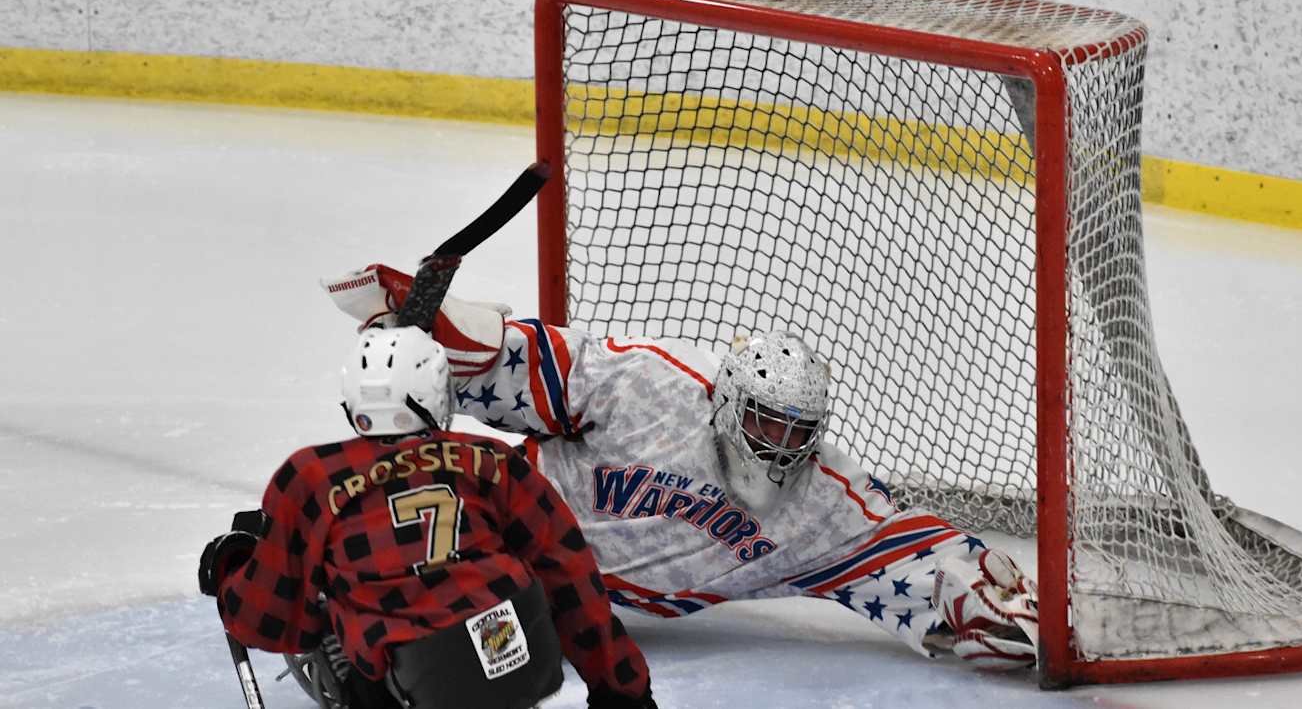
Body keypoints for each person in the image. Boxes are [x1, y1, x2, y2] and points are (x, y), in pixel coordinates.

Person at [324, 264, 1040, 674]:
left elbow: (905, 546)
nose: (779, 445)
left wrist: (972, 593)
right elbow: (520, 362)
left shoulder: (820, 506)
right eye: (764, 421)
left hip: (596, 615)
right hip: (520, 537)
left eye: (797, 431)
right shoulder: (650, 385)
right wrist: (434, 331)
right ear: (726, 403)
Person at [198, 325, 659, 709]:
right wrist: (624, 694)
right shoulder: (493, 460)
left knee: (324, 600)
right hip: (524, 661)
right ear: (437, 391)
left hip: (414, 684)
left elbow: (268, 620)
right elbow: (570, 577)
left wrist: (230, 573)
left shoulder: (312, 475)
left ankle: (355, 663)